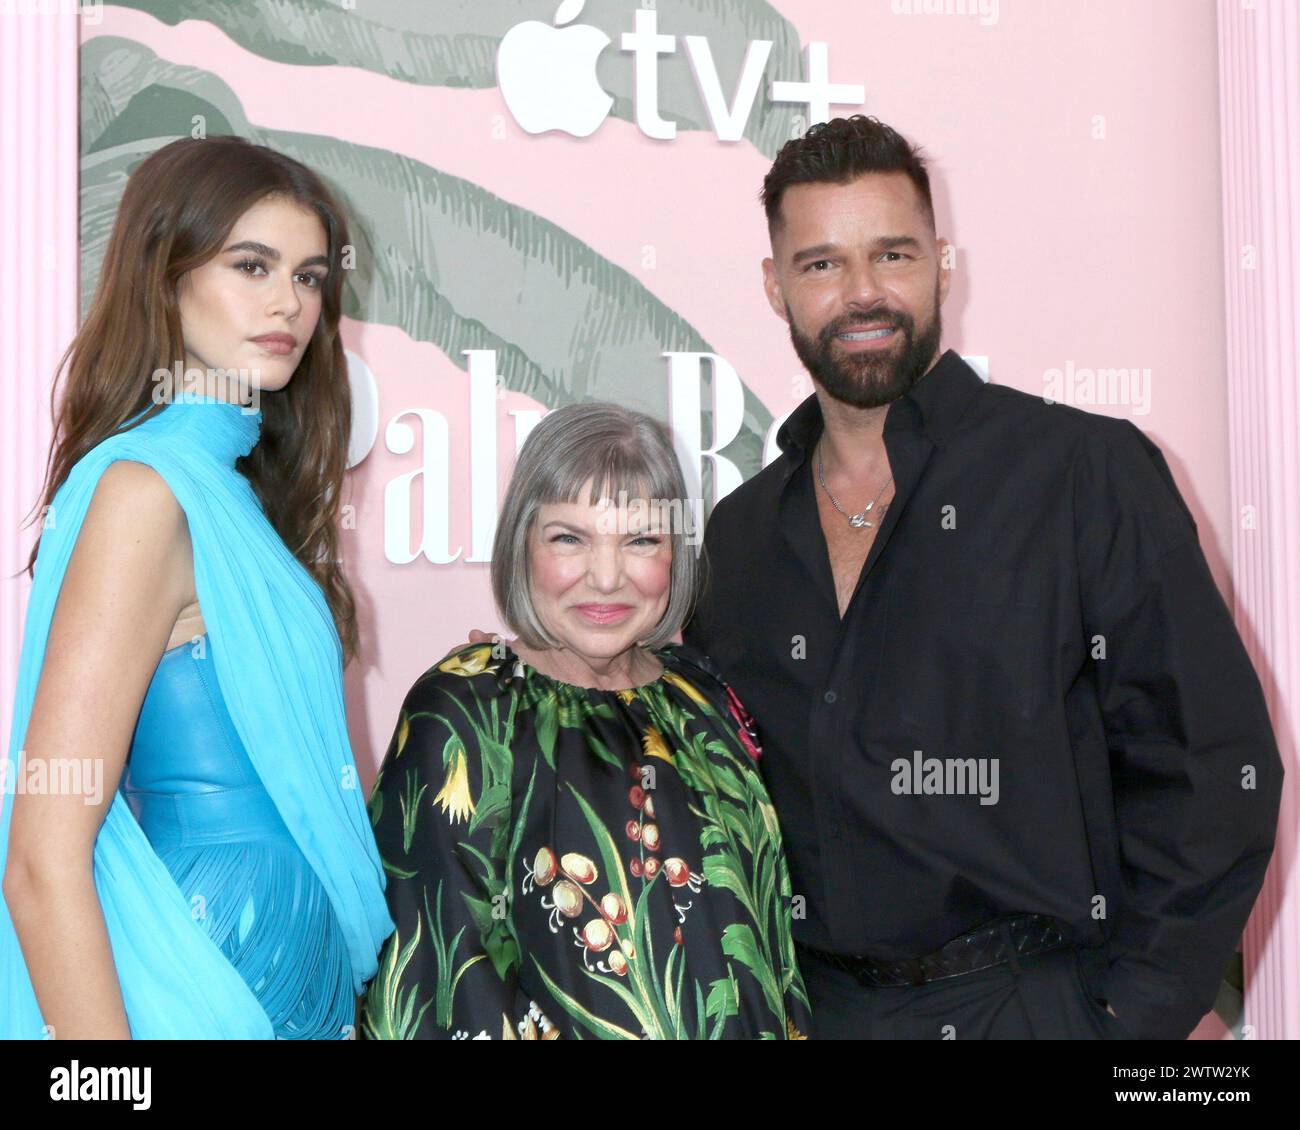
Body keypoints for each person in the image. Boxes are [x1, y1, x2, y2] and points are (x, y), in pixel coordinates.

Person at [681, 115, 1283, 1040]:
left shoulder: (1085, 473)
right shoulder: (742, 536)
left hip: (1041, 1006)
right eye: (821, 264)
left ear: (942, 264)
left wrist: (1135, 1016)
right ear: (775, 286)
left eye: (892, 254)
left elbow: (1215, 766)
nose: (863, 293)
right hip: (818, 1013)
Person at [1, 136, 393, 1039]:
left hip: (281, 992)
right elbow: (41, 857)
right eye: (250, 265)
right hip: (190, 988)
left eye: (308, 276)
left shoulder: (234, 492)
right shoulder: (146, 491)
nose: (287, 302)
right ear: (163, 273)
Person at [362, 403, 809, 1039]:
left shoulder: (704, 697)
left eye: (641, 540)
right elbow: (436, 980)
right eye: (570, 538)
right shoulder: (468, 710)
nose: (606, 577)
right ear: (523, 544)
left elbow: (771, 955)